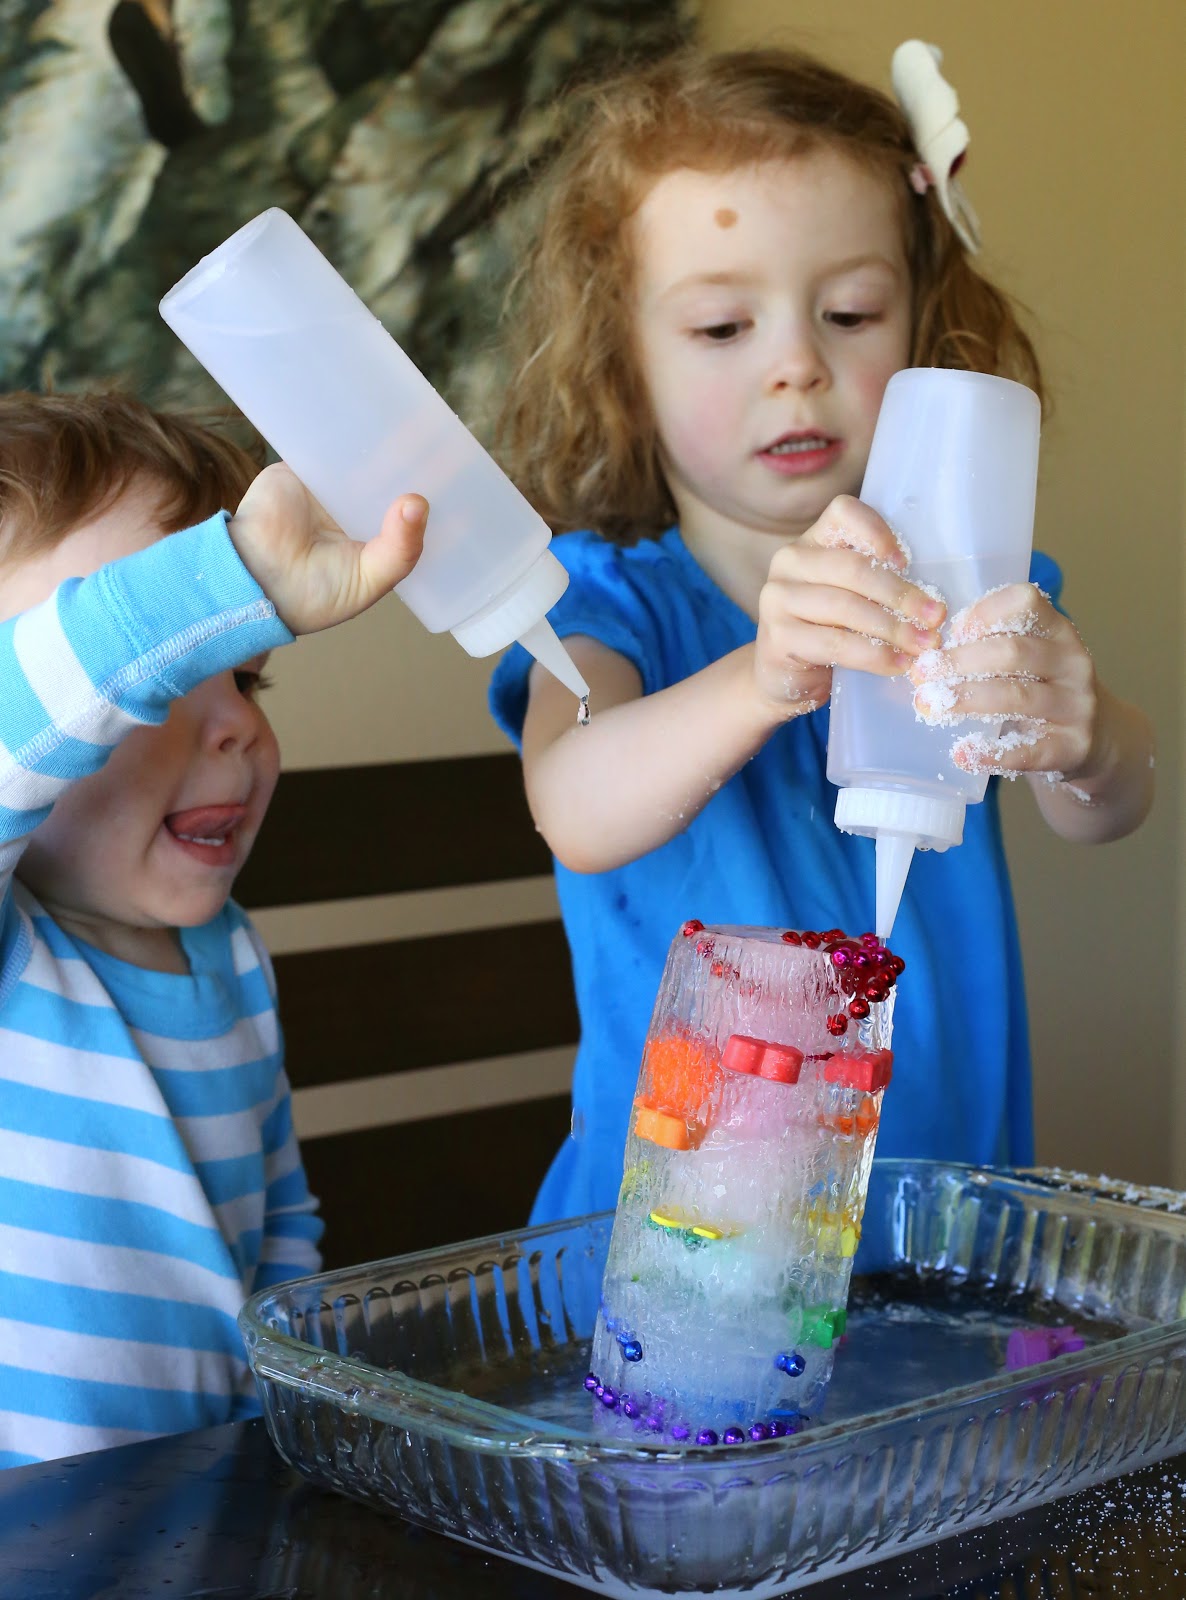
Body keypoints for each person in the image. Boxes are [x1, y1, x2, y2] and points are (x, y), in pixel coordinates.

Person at [488, 46, 1154, 1224]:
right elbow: (575, 804)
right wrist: (762, 675)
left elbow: (1108, 810)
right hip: (674, 1264)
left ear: (921, 319)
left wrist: (1084, 742)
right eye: (719, 327)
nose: (797, 364)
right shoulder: (606, 607)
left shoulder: (963, 593)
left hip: (944, 1226)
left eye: (849, 312)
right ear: (621, 365)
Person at [0, 391, 427, 1465]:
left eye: (243, 668)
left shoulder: (229, 953)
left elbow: (276, 1231)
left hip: (187, 1520)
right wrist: (219, 577)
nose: (239, 720)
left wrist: (288, 1433)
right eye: (159, 682)